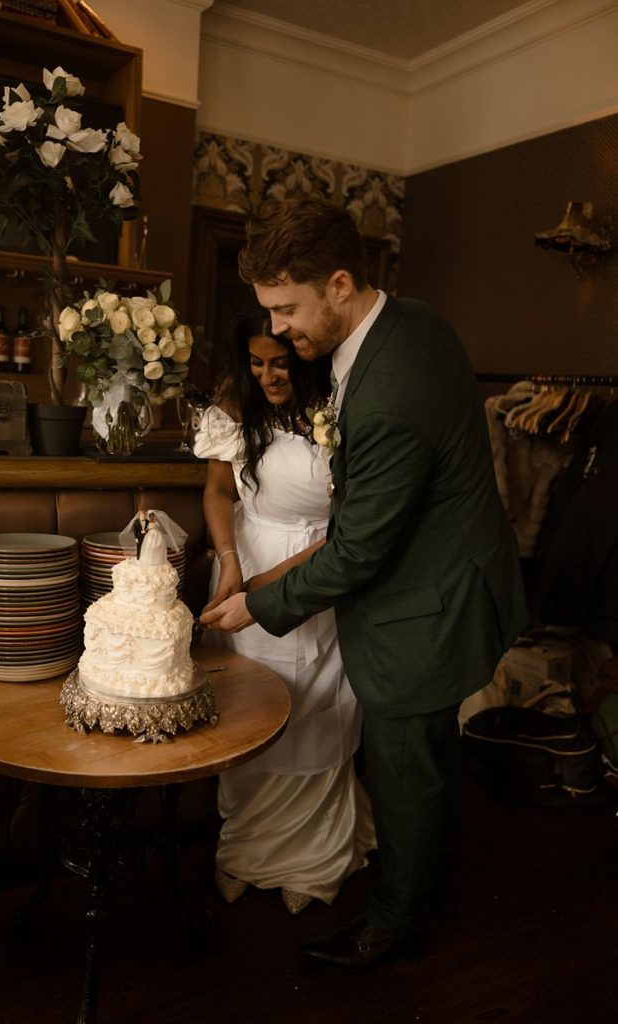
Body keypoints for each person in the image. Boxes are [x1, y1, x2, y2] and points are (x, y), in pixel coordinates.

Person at [201, 197, 529, 966]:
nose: (277, 330)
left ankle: (394, 923)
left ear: (340, 284)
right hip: (455, 568)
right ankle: (434, 887)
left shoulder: (385, 393)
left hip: (427, 603)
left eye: (286, 309)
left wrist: (253, 605)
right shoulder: (409, 320)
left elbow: (353, 554)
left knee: (403, 763)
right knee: (432, 758)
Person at [194, 308, 375, 916]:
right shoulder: (236, 404)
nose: (269, 376)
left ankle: (315, 855)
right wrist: (229, 563)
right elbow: (219, 490)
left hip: (319, 572)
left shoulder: (343, 406)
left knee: (313, 707)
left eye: (280, 362)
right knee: (248, 711)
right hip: (244, 558)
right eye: (256, 362)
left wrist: (265, 590)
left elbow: (352, 529)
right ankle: (245, 849)